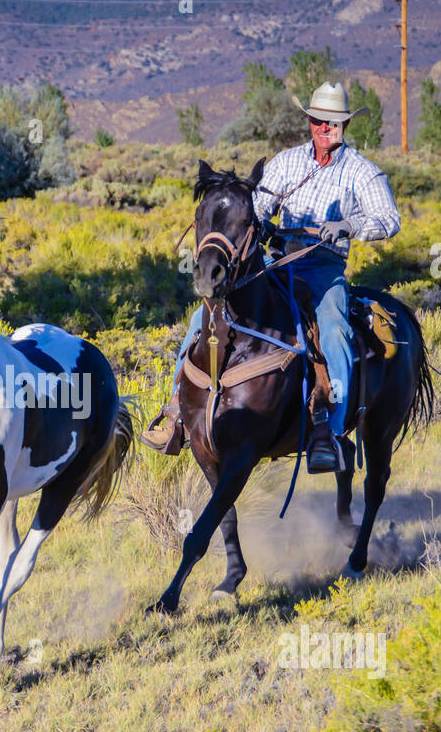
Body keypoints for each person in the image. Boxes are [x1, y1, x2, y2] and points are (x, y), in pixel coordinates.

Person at [141, 81, 401, 472]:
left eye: (332, 122)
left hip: (322, 268)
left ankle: (330, 429)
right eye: (317, 120)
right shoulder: (286, 163)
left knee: (332, 329)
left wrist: (349, 225)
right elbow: (257, 210)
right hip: (276, 262)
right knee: (204, 318)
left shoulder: (363, 173)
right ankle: (177, 411)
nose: (324, 128)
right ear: (309, 121)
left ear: (345, 125)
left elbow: (390, 220)